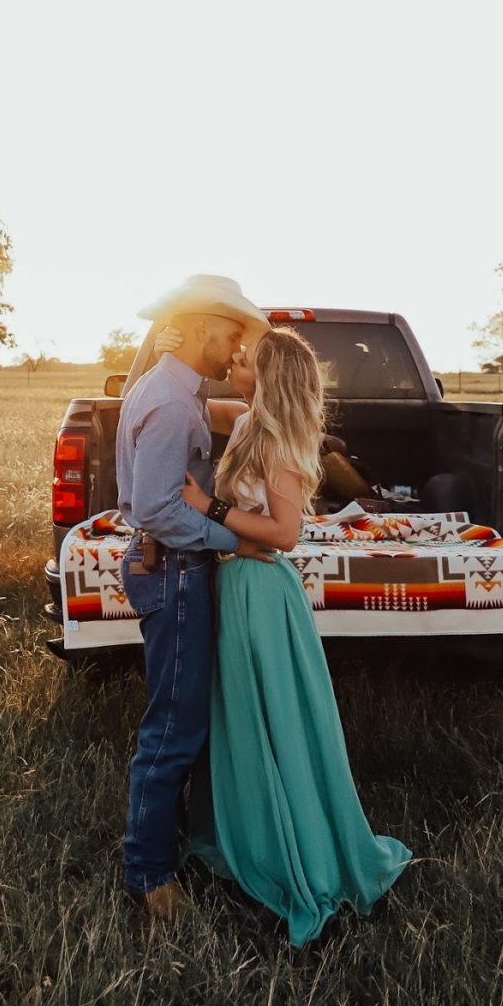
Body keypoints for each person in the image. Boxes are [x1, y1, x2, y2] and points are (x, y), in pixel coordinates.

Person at [171, 324, 412, 944]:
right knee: (244, 715)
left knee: (272, 717)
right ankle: (245, 827)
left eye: (247, 357)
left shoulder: (281, 442)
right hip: (237, 583)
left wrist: (210, 509)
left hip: (261, 595)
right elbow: (198, 402)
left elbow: (285, 534)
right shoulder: (250, 420)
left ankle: (294, 849)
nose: (235, 359)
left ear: (270, 376)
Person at [118, 274, 273, 922]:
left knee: (183, 719)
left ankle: (171, 843)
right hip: (177, 569)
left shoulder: (167, 388)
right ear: (203, 323)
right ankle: (149, 873)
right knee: (173, 727)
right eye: (232, 333)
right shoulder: (172, 403)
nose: (235, 346)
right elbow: (156, 507)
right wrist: (232, 543)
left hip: (177, 566)